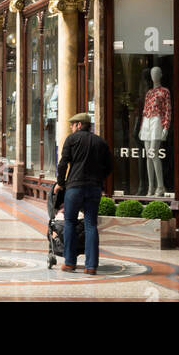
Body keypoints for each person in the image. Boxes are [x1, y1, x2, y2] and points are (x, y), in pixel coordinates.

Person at [54, 111, 113, 276]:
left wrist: (61, 183)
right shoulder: (100, 142)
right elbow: (109, 166)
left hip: (75, 187)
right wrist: (99, 180)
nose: (72, 128)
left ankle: (70, 262)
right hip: (94, 188)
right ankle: (91, 266)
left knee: (70, 222)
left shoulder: (72, 139)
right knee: (91, 225)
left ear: (79, 125)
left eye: (73, 125)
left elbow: (63, 163)